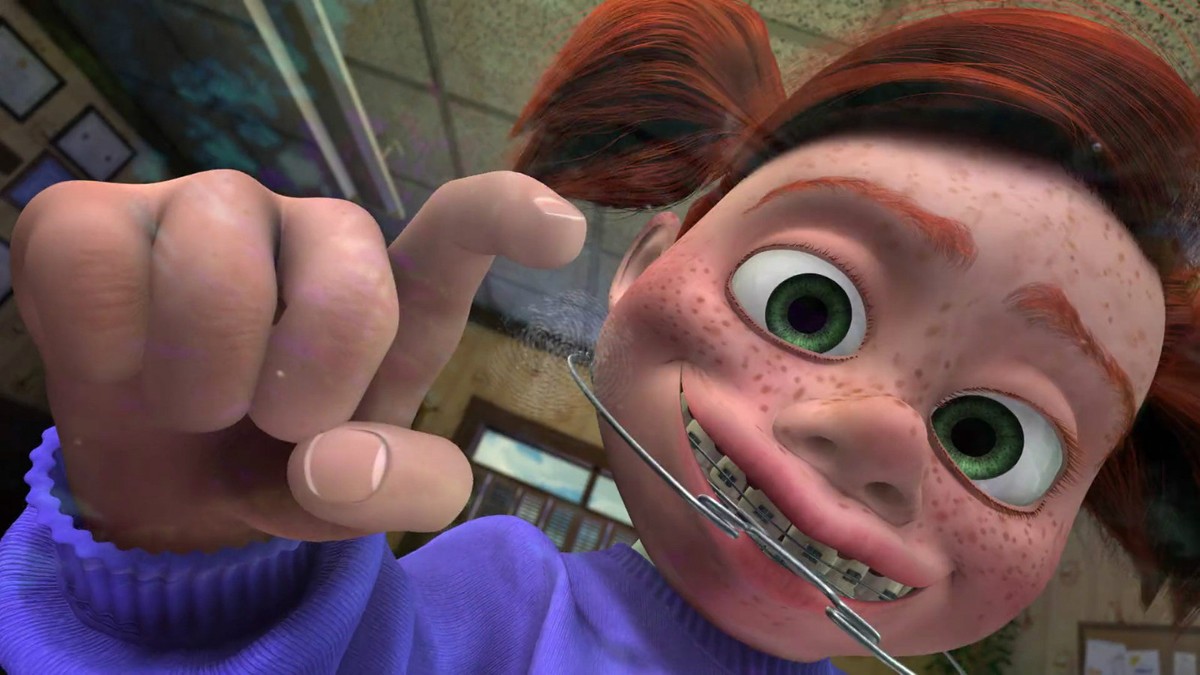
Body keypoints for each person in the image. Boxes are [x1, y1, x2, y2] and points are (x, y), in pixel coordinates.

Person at [2, 0, 1199, 672]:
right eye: (810, 305)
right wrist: (186, 570)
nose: (881, 435)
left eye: (991, 437)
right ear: (643, 262)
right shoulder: (500, 603)